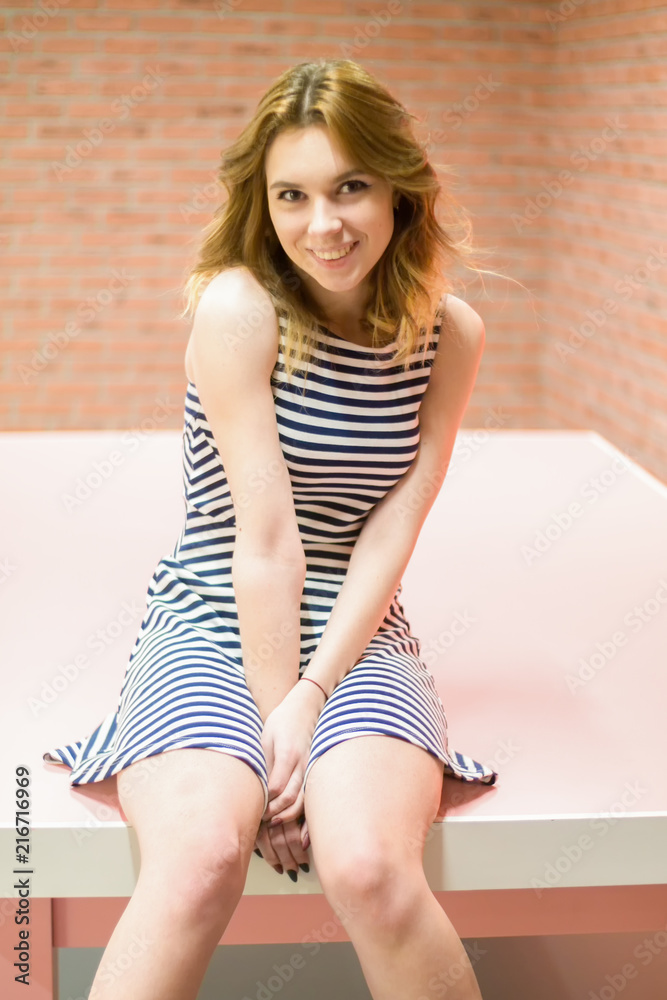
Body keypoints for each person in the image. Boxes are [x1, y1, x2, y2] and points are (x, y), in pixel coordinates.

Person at [43, 57, 501, 1000]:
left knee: (370, 865)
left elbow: (392, 526)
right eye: (291, 195)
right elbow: (263, 538)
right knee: (203, 856)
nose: (321, 225)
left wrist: (313, 693)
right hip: (215, 616)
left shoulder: (448, 334)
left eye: (350, 188)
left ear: (399, 189)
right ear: (262, 202)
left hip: (357, 633)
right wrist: (272, 721)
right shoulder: (239, 308)